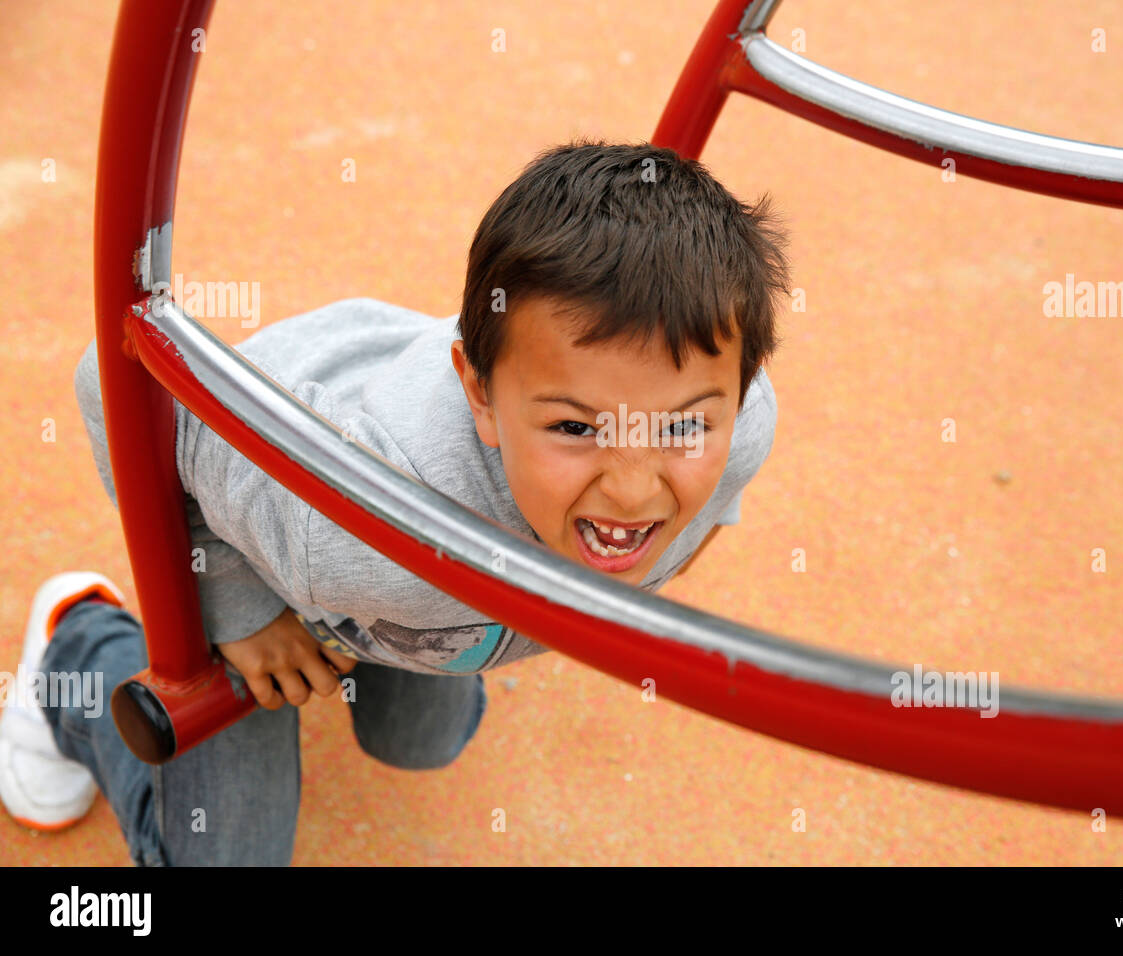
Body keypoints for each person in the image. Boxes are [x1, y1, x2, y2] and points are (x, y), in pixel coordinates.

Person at [0, 140, 792, 865]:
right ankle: (76, 643)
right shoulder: (344, 525)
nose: (633, 486)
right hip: (294, 475)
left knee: (421, 740)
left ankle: (392, 638)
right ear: (480, 394)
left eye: (684, 424)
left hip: (413, 532)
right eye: (576, 427)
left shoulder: (739, 427)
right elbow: (113, 378)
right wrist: (236, 607)